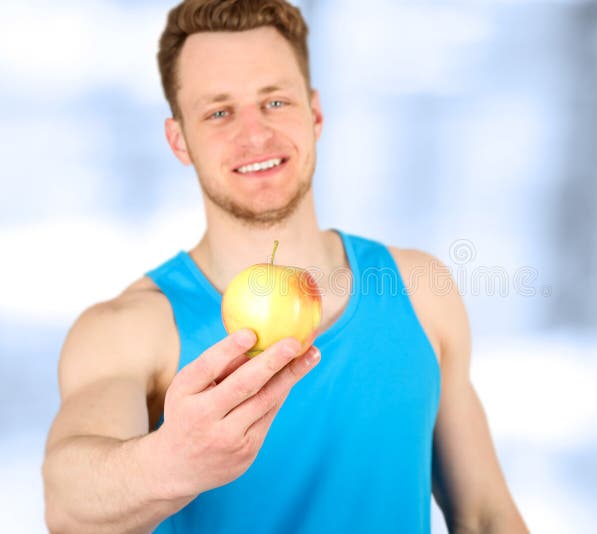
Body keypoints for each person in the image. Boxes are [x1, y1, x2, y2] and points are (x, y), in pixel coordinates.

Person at [41, 1, 528, 532]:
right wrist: (170, 462)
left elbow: (484, 516)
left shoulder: (420, 290)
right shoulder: (127, 329)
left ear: (314, 113)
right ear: (179, 139)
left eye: (274, 101)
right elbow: (69, 506)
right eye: (219, 112)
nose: (255, 135)